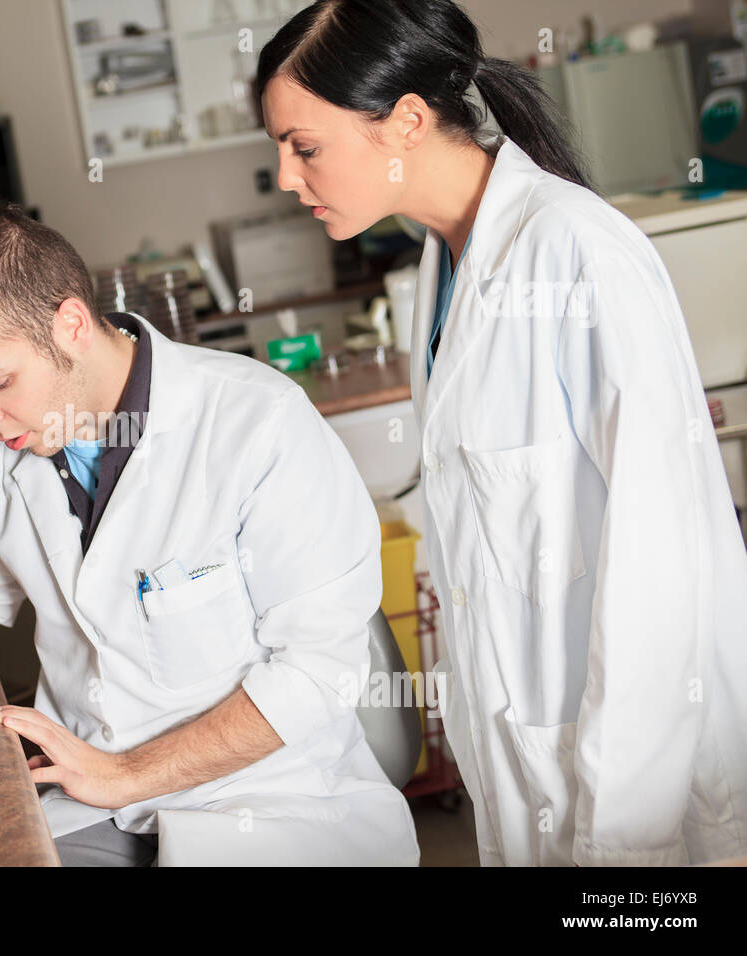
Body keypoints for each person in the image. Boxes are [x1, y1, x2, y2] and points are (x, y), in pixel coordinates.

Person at [256, 0, 747, 866]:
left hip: (632, 786)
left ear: (404, 120)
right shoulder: (439, 269)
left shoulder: (577, 253)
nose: (289, 179)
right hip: (527, 759)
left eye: (305, 146)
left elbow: (665, 564)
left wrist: (623, 839)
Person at [0, 198, 420, 866]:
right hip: (94, 804)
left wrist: (127, 773)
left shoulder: (258, 423)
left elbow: (317, 675)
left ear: (70, 324)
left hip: (270, 801)